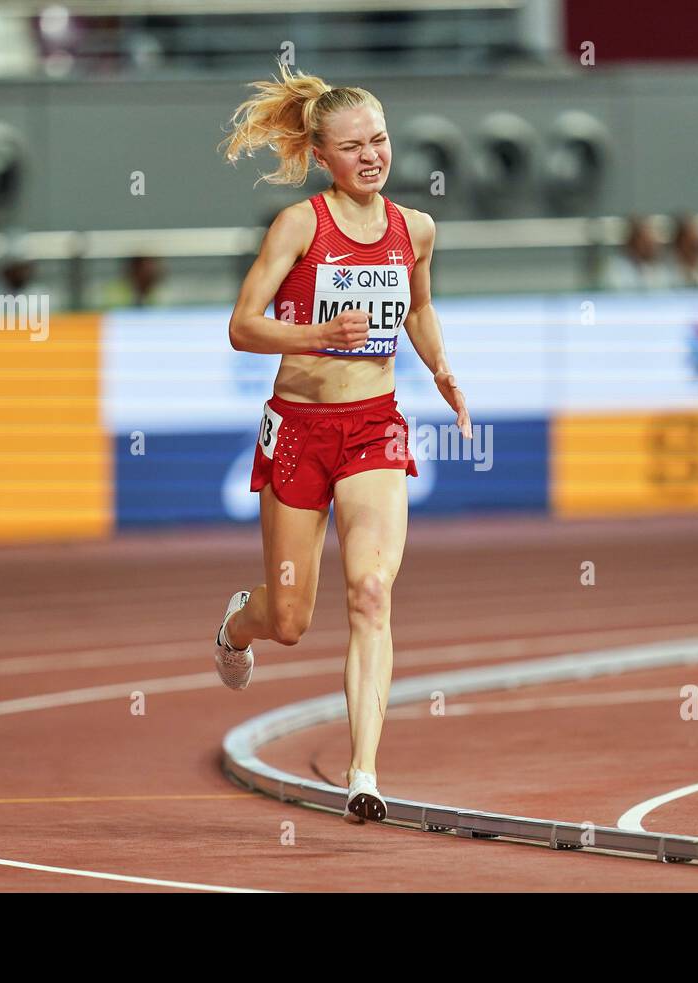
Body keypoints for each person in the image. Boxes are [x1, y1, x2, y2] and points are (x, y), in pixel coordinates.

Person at [215, 63, 470, 824]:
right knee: (290, 621)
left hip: (374, 427)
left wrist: (443, 367)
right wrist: (315, 334)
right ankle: (238, 622)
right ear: (323, 156)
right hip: (298, 433)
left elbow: (419, 307)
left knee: (371, 591)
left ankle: (364, 771)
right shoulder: (300, 225)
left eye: (381, 140)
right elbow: (241, 326)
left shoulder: (413, 229)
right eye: (354, 146)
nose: (372, 156)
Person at [654, 215, 698, 288]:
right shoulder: (665, 270)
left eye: (696, 240)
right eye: (689, 241)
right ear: (679, 242)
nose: (694, 244)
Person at [603, 216, 665, 290]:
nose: (649, 246)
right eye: (644, 241)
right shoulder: (615, 268)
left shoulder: (657, 268)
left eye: (650, 242)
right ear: (633, 241)